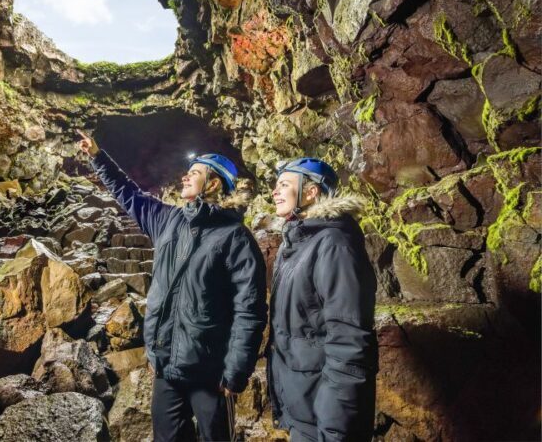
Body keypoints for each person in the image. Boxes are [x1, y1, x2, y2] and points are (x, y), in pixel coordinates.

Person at [77, 130, 267, 442]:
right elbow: (128, 193)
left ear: (214, 184)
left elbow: (250, 310)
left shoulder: (235, 238)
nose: (185, 177)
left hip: (211, 372)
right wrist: (98, 156)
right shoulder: (168, 220)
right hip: (167, 368)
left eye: (195, 173)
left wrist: (236, 372)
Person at [267, 158, 378, 442]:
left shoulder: (335, 245)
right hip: (303, 405)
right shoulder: (296, 245)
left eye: (284, 184)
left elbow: (349, 341)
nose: (274, 192)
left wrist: (334, 429)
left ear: (311, 192)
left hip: (324, 417)